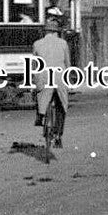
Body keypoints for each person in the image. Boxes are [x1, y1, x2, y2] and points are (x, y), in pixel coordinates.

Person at [32, 17, 70, 147]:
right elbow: (68, 63)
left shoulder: (37, 44)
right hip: (59, 78)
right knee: (61, 106)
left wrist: (33, 80)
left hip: (43, 78)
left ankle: (39, 116)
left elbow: (34, 65)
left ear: (46, 31)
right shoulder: (63, 43)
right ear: (56, 32)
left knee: (38, 94)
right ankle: (58, 136)